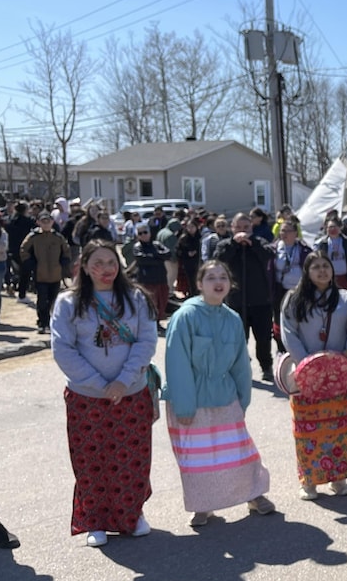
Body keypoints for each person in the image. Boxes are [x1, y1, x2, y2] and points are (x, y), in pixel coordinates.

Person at [50, 240, 158, 547]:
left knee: (133, 457)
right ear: (84, 267)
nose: (105, 270)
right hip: (87, 397)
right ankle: (95, 520)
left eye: (111, 262)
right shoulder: (68, 303)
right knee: (91, 459)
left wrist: (123, 381)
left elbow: (146, 341)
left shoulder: (136, 298)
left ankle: (132, 515)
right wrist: (100, 384)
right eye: (97, 263)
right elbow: (63, 349)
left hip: (132, 392)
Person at [163, 260, 275, 526]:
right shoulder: (185, 316)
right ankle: (203, 506)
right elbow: (177, 364)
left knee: (239, 451)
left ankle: (254, 494)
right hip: (191, 399)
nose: (218, 282)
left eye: (222, 276)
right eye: (210, 277)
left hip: (225, 397)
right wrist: (185, 406)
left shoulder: (232, 318)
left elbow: (240, 363)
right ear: (199, 284)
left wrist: (243, 399)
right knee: (197, 458)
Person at [281, 252, 347, 500]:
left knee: (341, 428)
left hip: (338, 374)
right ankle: (309, 481)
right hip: (306, 375)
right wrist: (306, 364)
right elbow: (289, 333)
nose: (322, 271)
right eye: (315, 267)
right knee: (308, 430)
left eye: (325, 266)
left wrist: (345, 358)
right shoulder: (294, 299)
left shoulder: (346, 299)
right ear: (307, 271)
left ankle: (338, 479)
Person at [214, 213, 276, 381]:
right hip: (235, 300)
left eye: (246, 228)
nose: (243, 231)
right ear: (232, 228)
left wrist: (252, 243)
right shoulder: (224, 244)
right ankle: (238, 368)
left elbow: (269, 255)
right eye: (239, 228)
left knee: (263, 338)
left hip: (260, 300)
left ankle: (266, 367)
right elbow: (218, 260)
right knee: (237, 339)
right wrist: (234, 244)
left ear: (251, 228)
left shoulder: (259, 241)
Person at [21, 213, 70, 334]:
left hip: (55, 274)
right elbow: (23, 249)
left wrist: (64, 262)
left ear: (52, 222)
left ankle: (51, 322)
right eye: (43, 221)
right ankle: (42, 322)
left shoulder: (58, 237)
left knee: (53, 300)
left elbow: (66, 250)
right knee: (42, 300)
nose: (46, 224)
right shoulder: (33, 237)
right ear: (39, 222)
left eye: (48, 221)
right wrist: (30, 263)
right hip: (40, 274)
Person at [271, 222, 312, 352]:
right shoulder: (274, 248)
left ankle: (301, 345)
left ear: (295, 233)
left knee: (300, 317)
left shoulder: (304, 248)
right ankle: (281, 347)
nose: (284, 234)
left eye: (288, 231)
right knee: (280, 319)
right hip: (280, 289)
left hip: (299, 289)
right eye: (282, 231)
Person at [129, 223, 172, 329]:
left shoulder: (157, 244)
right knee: (150, 304)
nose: (143, 235)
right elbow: (142, 259)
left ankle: (157, 323)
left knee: (162, 302)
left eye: (145, 232)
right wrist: (158, 257)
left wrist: (154, 256)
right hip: (147, 280)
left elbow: (168, 254)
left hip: (161, 278)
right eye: (140, 233)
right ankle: (150, 325)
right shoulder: (137, 247)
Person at [315, 217, 347, 293]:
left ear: (340, 228)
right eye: (330, 227)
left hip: (345, 277)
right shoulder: (322, 243)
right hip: (328, 277)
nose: (332, 230)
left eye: (334, 227)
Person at [175, 219, 202, 297]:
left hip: (198, 262)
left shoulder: (199, 237)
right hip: (188, 263)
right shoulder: (184, 238)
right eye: (189, 227)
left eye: (192, 227)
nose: (191, 229)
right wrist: (187, 253)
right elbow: (178, 251)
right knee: (191, 281)